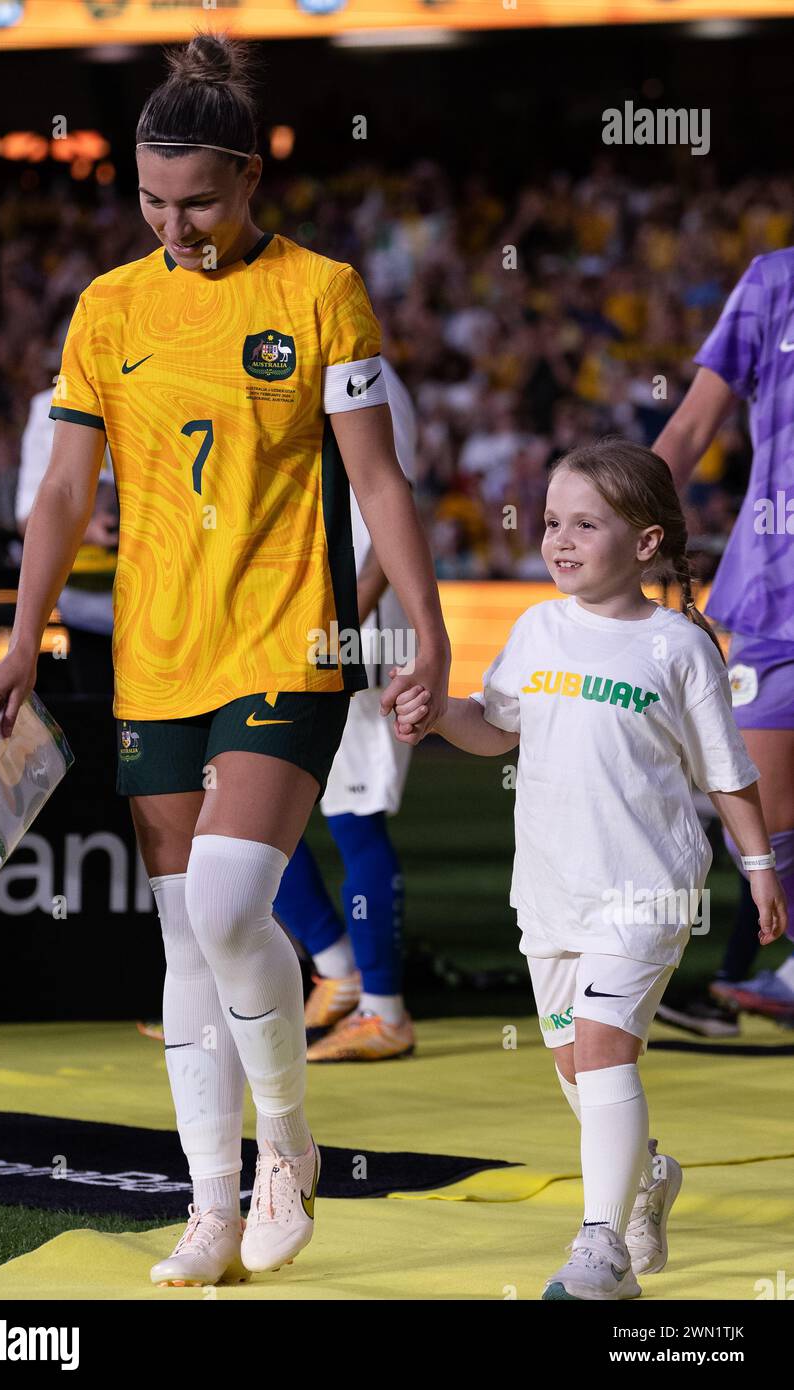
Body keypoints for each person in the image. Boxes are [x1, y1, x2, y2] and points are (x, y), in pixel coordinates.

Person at [0, 31, 450, 1288]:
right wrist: (20, 639)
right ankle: (211, 1207)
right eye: (150, 199)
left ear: (250, 180)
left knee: (237, 908)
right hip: (155, 659)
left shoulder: (321, 290)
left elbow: (376, 478)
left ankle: (286, 1146)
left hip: (289, 646)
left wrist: (426, 620)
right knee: (188, 943)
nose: (174, 224)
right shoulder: (108, 308)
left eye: (198, 200)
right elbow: (67, 490)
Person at [392, 438, 786, 1300]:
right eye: (550, 523)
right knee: (577, 1069)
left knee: (606, 1057)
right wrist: (432, 716)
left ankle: (600, 1247)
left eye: (585, 524)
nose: (560, 540)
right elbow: (494, 727)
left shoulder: (681, 647)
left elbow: (729, 774)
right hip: (552, 890)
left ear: (646, 543)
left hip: (647, 892)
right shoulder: (536, 627)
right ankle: (643, 1177)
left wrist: (759, 868)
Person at [654, 249, 794, 1029]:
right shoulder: (773, 280)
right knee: (761, 810)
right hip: (777, 586)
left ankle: (748, 979)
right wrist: (623, 516)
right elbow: (693, 422)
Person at [273, 357, 417, 1062]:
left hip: (355, 632)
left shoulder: (367, 375)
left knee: (353, 817)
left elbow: (393, 514)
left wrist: (339, 632)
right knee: (251, 802)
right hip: (291, 626)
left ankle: (382, 1006)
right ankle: (336, 971)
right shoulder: (279, 362)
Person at [16, 379, 116, 695]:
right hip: (83, 597)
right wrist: (92, 531)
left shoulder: (147, 391)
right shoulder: (47, 405)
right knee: (94, 703)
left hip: (158, 590)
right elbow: (30, 514)